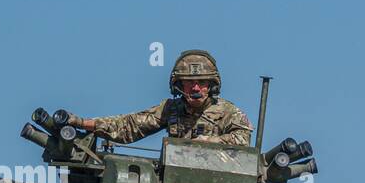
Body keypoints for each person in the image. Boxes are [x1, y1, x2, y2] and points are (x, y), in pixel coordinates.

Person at [63, 49, 253, 146]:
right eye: (189, 82)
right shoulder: (171, 109)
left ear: (211, 85)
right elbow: (130, 126)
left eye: (202, 82)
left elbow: (244, 138)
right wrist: (81, 123)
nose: (196, 87)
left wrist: (209, 143)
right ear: (179, 86)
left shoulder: (229, 112)